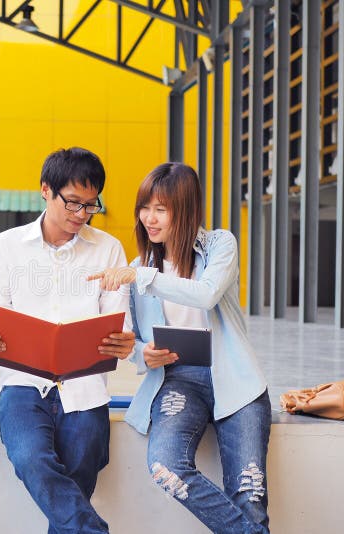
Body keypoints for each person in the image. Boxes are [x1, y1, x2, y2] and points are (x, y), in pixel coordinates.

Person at [89, 162, 271, 533]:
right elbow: (137, 341)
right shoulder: (139, 268)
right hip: (177, 381)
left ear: (184, 208)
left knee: (249, 493)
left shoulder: (220, 245)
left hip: (236, 381)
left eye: (160, 208)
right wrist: (144, 353)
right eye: (144, 207)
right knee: (166, 464)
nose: (148, 218)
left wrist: (142, 277)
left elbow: (205, 294)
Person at [0, 147, 135, 534]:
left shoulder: (109, 249)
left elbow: (120, 323)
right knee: (30, 457)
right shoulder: (7, 245)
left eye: (90, 206)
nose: (81, 215)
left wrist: (123, 341)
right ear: (45, 191)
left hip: (85, 389)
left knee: (81, 468)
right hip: (22, 385)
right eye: (73, 203)